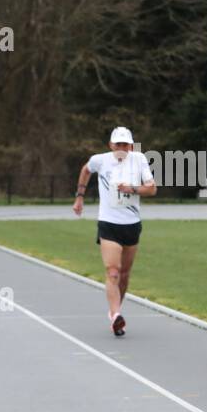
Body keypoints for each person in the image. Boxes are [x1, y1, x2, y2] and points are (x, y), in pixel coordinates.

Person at [72, 126, 157, 336]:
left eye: (125, 145)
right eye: (117, 144)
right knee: (113, 271)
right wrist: (80, 196)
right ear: (111, 145)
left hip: (132, 224)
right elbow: (85, 170)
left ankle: (117, 309)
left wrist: (133, 189)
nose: (121, 149)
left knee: (125, 274)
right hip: (108, 223)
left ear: (131, 145)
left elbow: (152, 188)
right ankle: (115, 314)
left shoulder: (138, 160)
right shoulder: (100, 160)